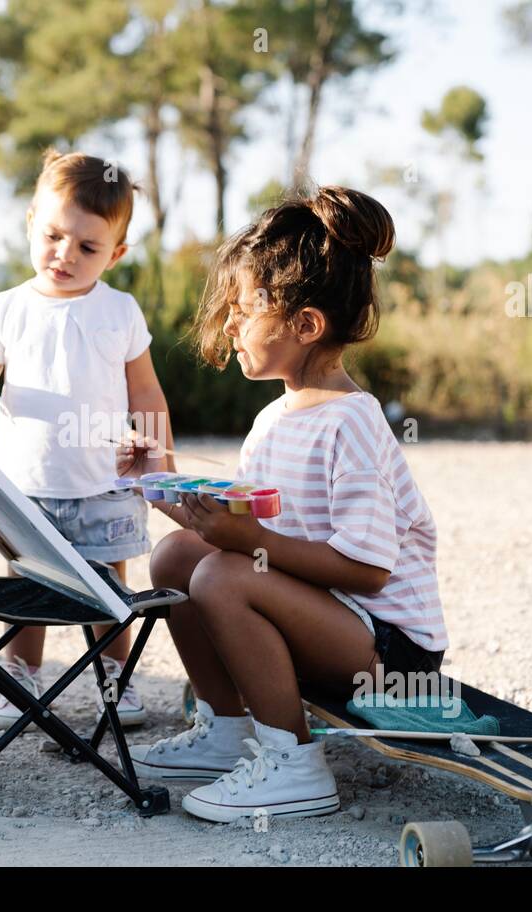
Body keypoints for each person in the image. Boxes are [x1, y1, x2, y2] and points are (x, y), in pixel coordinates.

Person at [127, 186, 448, 822]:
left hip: (388, 649)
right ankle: (228, 729)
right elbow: (235, 527)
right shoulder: (275, 416)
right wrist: (156, 479)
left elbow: (368, 571)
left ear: (306, 325)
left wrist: (244, 544)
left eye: (243, 312)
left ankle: (295, 765)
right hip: (327, 615)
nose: (229, 326)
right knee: (176, 557)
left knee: (220, 572)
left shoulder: (349, 422)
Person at [0, 148, 175, 730]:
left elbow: (145, 394)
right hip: (23, 486)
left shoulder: (119, 311)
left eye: (88, 247)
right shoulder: (7, 308)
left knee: (106, 589)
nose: (64, 255)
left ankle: (114, 683)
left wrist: (159, 464)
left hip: (102, 483)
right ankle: (19, 680)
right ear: (30, 224)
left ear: (115, 254)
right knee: (27, 588)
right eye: (52, 236)